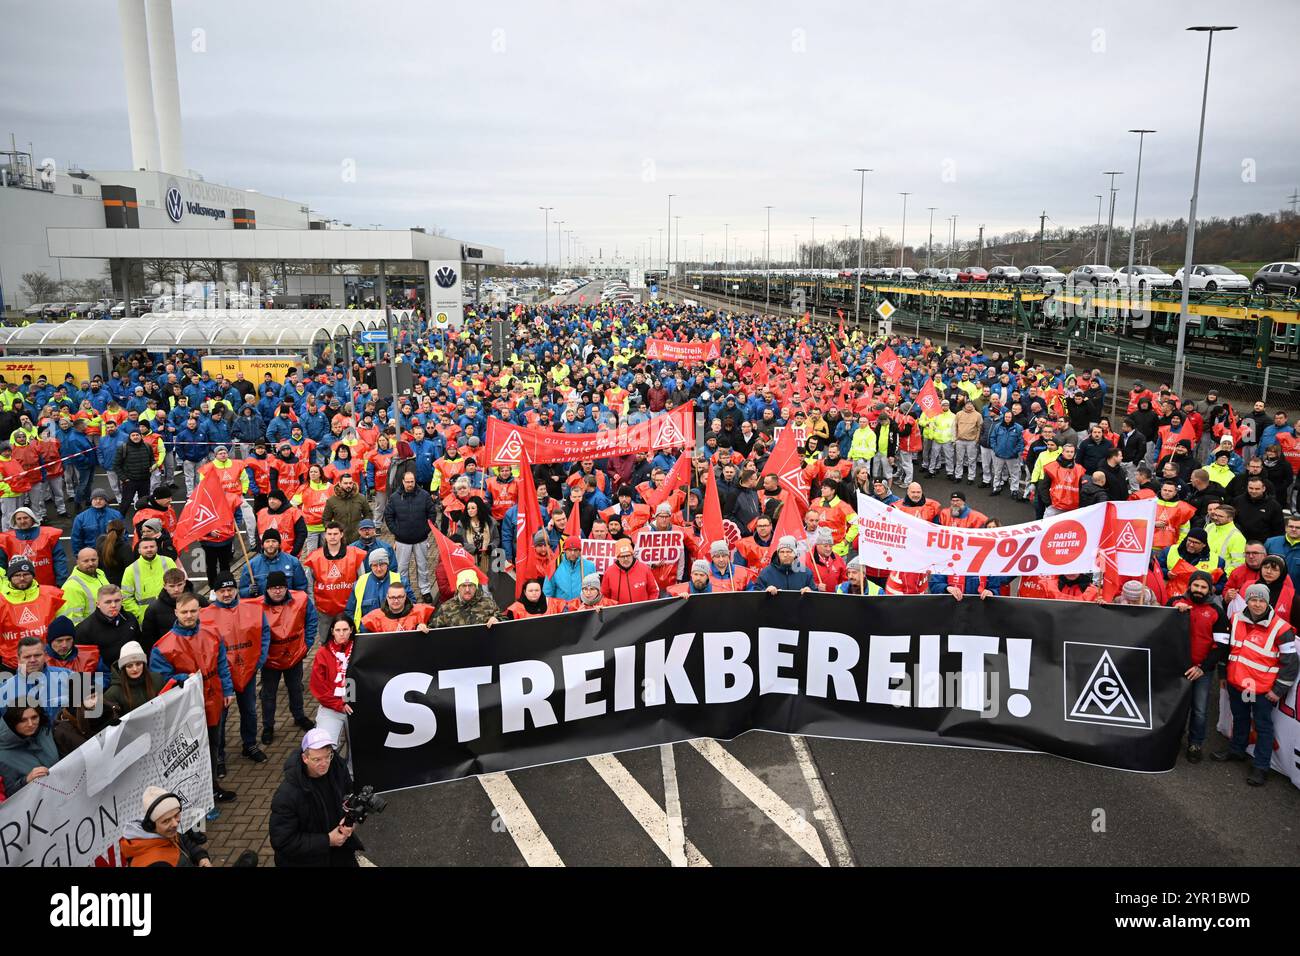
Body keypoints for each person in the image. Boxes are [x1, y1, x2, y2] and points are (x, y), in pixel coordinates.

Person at [150, 592, 237, 805]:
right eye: (184, 611)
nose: (189, 616)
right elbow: (159, 680)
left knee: (213, 745)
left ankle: (212, 787)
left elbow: (222, 665)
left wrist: (227, 690)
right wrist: (182, 678)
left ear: (200, 610)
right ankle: (193, 794)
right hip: (185, 708)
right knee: (191, 752)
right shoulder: (163, 646)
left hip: (213, 697)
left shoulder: (212, 634)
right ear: (176, 612)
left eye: (193, 611)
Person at [1213, 582, 1300, 786]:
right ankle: (1237, 750)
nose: (1257, 604)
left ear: (1268, 601)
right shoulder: (1235, 619)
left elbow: (1290, 663)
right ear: (1247, 600)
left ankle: (1261, 767)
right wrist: (1223, 674)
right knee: (1241, 717)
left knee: (1262, 726)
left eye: (1261, 600)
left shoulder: (1281, 628)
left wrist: (1278, 690)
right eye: (1253, 599)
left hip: (1261, 690)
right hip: (1241, 685)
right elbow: (1227, 650)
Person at [202, 575, 270, 772]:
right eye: (222, 591)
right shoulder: (205, 615)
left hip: (247, 671)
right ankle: (219, 756)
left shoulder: (253, 609)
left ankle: (250, 745)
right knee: (220, 718)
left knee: (249, 710)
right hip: (221, 677)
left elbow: (264, 633)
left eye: (230, 589)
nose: (226, 594)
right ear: (215, 593)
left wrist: (260, 659)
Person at [268, 728, 364, 867]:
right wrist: (327, 840)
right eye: (317, 759)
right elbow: (282, 841)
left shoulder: (337, 768)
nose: (324, 763)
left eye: (327, 756)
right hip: (308, 860)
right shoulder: (286, 796)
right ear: (305, 758)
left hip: (340, 854)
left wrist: (350, 819)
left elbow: (349, 795)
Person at [1167, 570, 1229, 764]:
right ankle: (1171, 740)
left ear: (1210, 589)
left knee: (1199, 709)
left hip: (1202, 671)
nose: (1199, 590)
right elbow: (1161, 621)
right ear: (1189, 586)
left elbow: (1222, 646)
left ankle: (1195, 744)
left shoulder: (1217, 611)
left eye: (1203, 587)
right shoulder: (1176, 603)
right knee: (1173, 708)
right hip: (1176, 668)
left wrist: (1203, 667)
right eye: (1196, 586)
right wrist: (1175, 608)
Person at [249, 570, 317, 744]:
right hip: (270, 660)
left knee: (295, 688)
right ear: (267, 589)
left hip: (294, 655)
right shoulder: (256, 606)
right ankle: (268, 726)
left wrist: (307, 644)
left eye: (281, 587)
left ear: (286, 588)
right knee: (268, 695)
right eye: (273, 588)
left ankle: (299, 715)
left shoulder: (301, 599)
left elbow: (311, 620)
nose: (277, 591)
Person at [0, 556, 66, 671]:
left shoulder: (52, 595)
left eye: (26, 574)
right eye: (16, 575)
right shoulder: (1, 602)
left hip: (46, 663)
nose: (22, 578)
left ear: (33, 575)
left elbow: (64, 627)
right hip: (11, 666)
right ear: (10, 577)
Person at [119, 786, 212, 867]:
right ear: (151, 825)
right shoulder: (153, 863)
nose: (175, 824)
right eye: (166, 821)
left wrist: (201, 857)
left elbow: (183, 840)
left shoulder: (165, 832)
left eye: (176, 815)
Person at [383, 470, 438, 603]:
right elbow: (388, 516)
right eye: (407, 482)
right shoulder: (395, 497)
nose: (410, 484)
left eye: (412, 481)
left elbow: (432, 513)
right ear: (403, 481)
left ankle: (425, 590)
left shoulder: (424, 495)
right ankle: (404, 591)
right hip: (402, 541)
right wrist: (396, 531)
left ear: (415, 481)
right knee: (402, 568)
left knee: (423, 566)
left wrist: (426, 530)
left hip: (421, 539)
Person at [309, 617, 355, 747]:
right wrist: (338, 704)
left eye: (345, 630)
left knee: (359, 750)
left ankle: (351, 768)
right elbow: (318, 687)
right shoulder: (323, 653)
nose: (341, 634)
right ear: (332, 631)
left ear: (351, 630)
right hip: (331, 707)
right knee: (324, 745)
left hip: (356, 706)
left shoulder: (360, 648)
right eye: (338, 630)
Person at [0, 701, 60, 796]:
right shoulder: (2, 756)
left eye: (34, 717)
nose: (31, 724)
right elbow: (9, 794)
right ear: (12, 722)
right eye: (23, 720)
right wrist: (26, 780)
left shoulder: (46, 732)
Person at [53, 685, 119, 758]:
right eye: (88, 698)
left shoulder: (109, 709)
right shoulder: (64, 730)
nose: (95, 701)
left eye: (94, 696)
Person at [240, 528, 309, 597]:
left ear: (279, 544)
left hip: (287, 605)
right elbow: (241, 591)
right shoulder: (250, 565)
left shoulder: (293, 562)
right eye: (267, 541)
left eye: (274, 541)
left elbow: (301, 587)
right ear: (262, 545)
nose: (270, 544)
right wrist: (249, 591)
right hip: (261, 606)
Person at [102, 641, 163, 716]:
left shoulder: (157, 679)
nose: (135, 669)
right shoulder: (113, 693)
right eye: (129, 666)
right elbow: (96, 719)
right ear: (124, 668)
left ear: (144, 664)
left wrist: (175, 687)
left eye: (138, 664)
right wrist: (111, 720)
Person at [57, 548, 112, 626]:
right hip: (91, 632)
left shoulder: (100, 573)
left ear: (98, 559)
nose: (90, 563)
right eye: (86, 561)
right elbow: (73, 621)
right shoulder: (71, 586)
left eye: (93, 560)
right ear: (77, 562)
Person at [431, 568, 501, 628]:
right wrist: (422, 628)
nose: (467, 590)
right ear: (458, 588)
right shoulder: (445, 608)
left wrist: (497, 620)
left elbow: (505, 621)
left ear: (476, 587)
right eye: (464, 586)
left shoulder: (489, 603)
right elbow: (433, 630)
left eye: (470, 585)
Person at [600, 537, 661, 604]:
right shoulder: (609, 572)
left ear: (632, 555)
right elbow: (604, 596)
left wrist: (649, 607)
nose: (626, 559)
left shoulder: (644, 568)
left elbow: (654, 591)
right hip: (619, 613)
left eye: (628, 555)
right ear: (617, 557)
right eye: (622, 556)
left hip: (642, 612)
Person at [361, 580, 437, 632]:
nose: (396, 601)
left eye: (400, 597)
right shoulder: (374, 617)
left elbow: (437, 632)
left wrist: (426, 628)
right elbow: (364, 639)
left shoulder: (421, 611)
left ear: (405, 596)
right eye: (393, 597)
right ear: (387, 597)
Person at [321, 471, 369, 544]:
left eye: (350, 483)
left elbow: (368, 514)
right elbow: (326, 520)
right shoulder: (331, 501)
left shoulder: (361, 498)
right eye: (345, 483)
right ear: (340, 484)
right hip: (340, 540)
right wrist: (334, 532)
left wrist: (364, 527)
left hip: (358, 538)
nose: (348, 485)